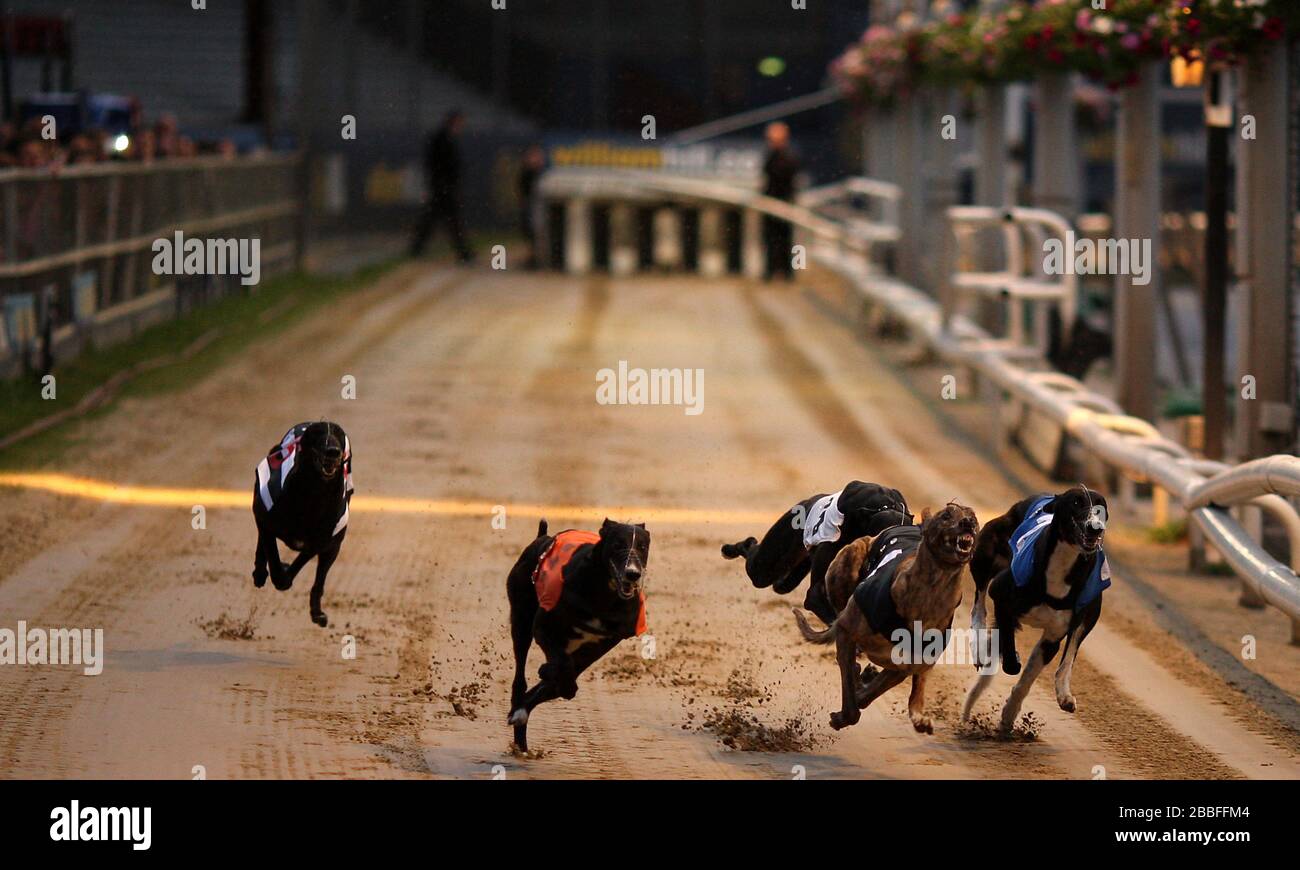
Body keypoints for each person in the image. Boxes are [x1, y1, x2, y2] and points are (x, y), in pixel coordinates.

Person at [410, 109, 474, 262]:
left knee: (433, 219)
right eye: (460, 123)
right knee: (451, 221)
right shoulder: (442, 139)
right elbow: (436, 165)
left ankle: (417, 249)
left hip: (443, 187)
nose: (461, 126)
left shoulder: (445, 138)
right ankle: (463, 253)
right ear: (453, 121)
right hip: (443, 188)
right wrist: (442, 184)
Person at [761, 121, 800, 281]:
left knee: (790, 240)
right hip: (773, 204)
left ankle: (792, 270)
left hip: (785, 203)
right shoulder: (770, 156)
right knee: (771, 239)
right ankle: (772, 270)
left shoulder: (788, 157)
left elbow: (789, 180)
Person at [518, 144, 545, 269]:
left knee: (538, 233)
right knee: (531, 233)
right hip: (531, 207)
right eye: (534, 157)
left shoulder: (542, 173)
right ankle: (533, 258)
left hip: (539, 208)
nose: (537, 160)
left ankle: (538, 258)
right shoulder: (526, 173)